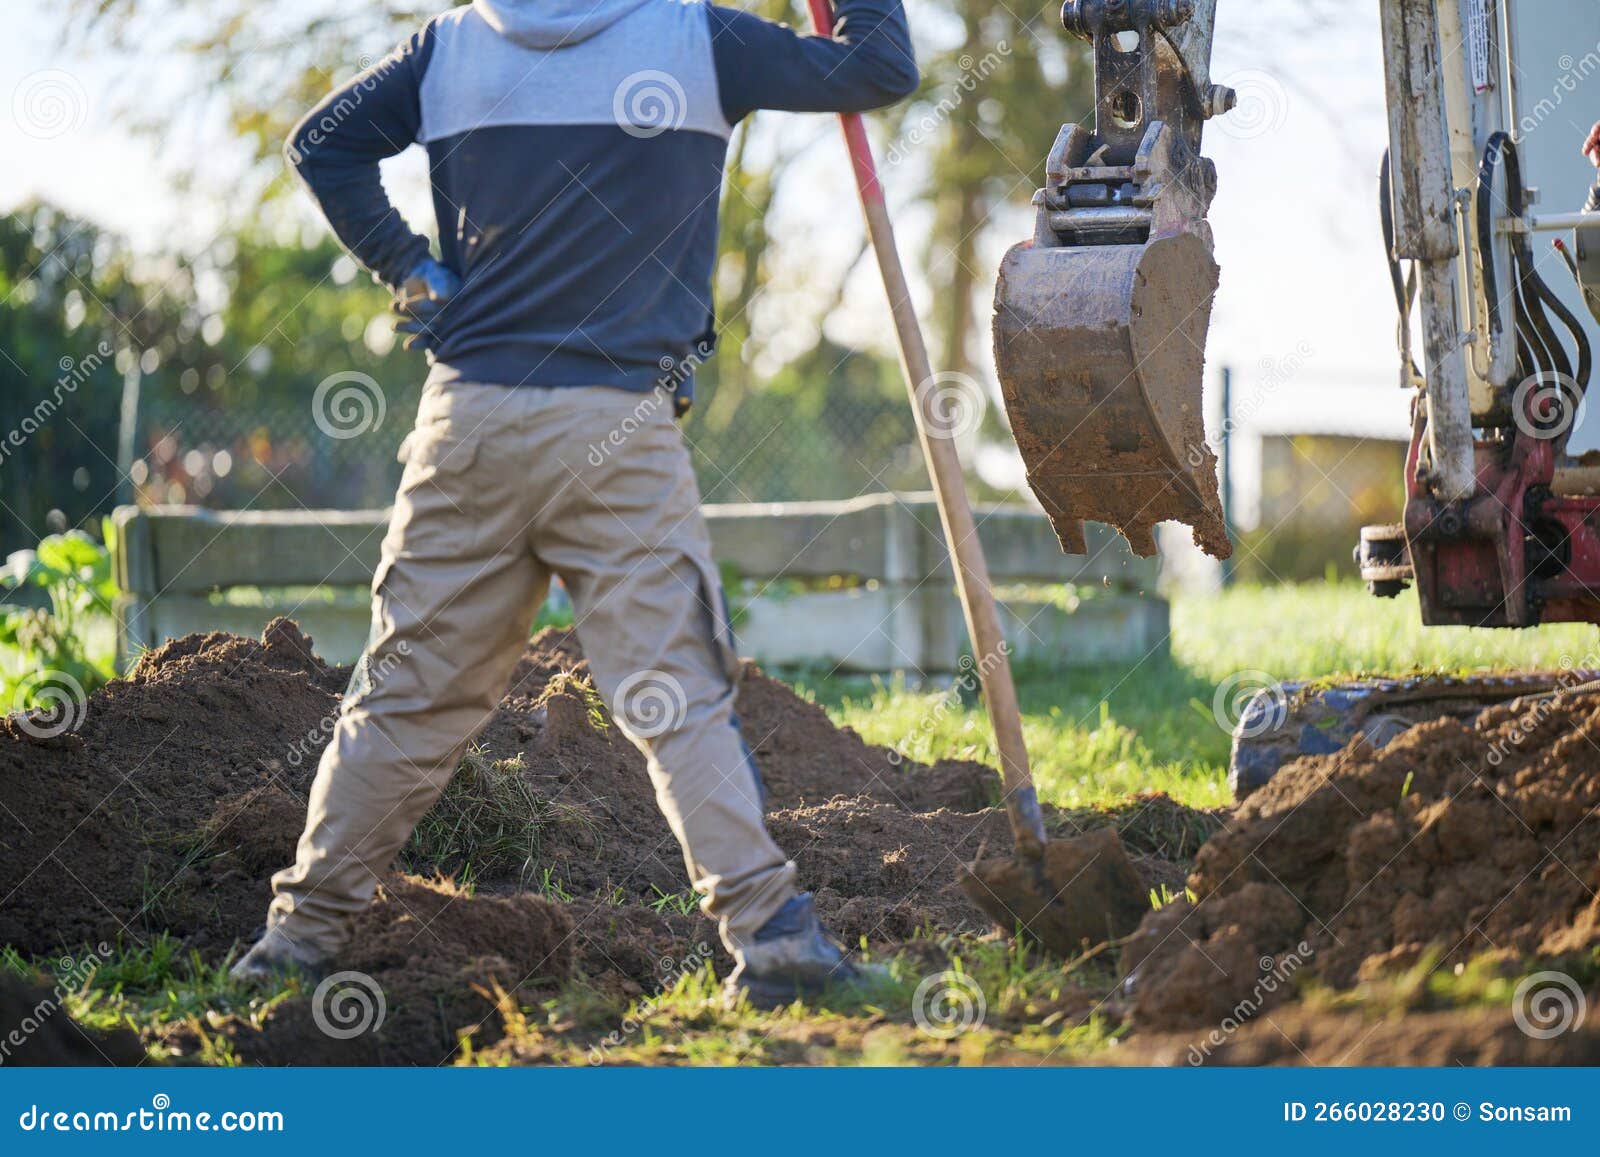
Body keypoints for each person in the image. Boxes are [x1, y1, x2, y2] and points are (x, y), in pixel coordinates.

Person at [230, 0, 918, 1009]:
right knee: (675, 693)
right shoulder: (697, 38)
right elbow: (875, 69)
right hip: (614, 426)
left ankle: (297, 935)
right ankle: (770, 939)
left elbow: (320, 143)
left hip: (468, 421)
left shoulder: (450, 46)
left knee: (404, 694)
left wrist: (410, 267)